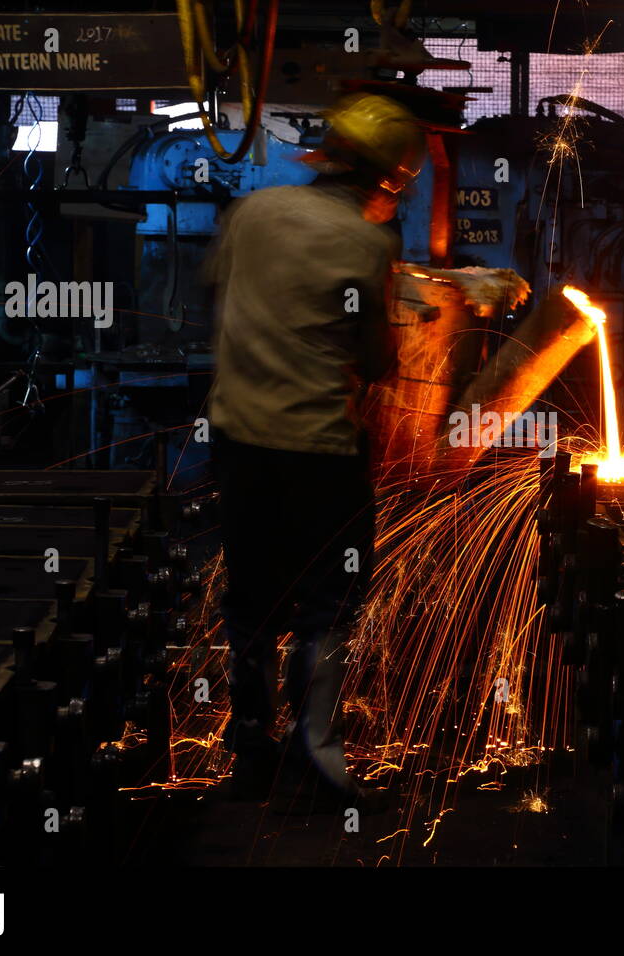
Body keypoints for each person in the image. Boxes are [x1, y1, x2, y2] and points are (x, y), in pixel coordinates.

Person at [205, 92, 424, 810]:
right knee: (330, 600)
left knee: (249, 603)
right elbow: (380, 360)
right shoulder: (368, 244)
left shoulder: (251, 214)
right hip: (321, 453)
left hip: (238, 445)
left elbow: (220, 295)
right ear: (387, 178)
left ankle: (249, 748)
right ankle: (317, 751)